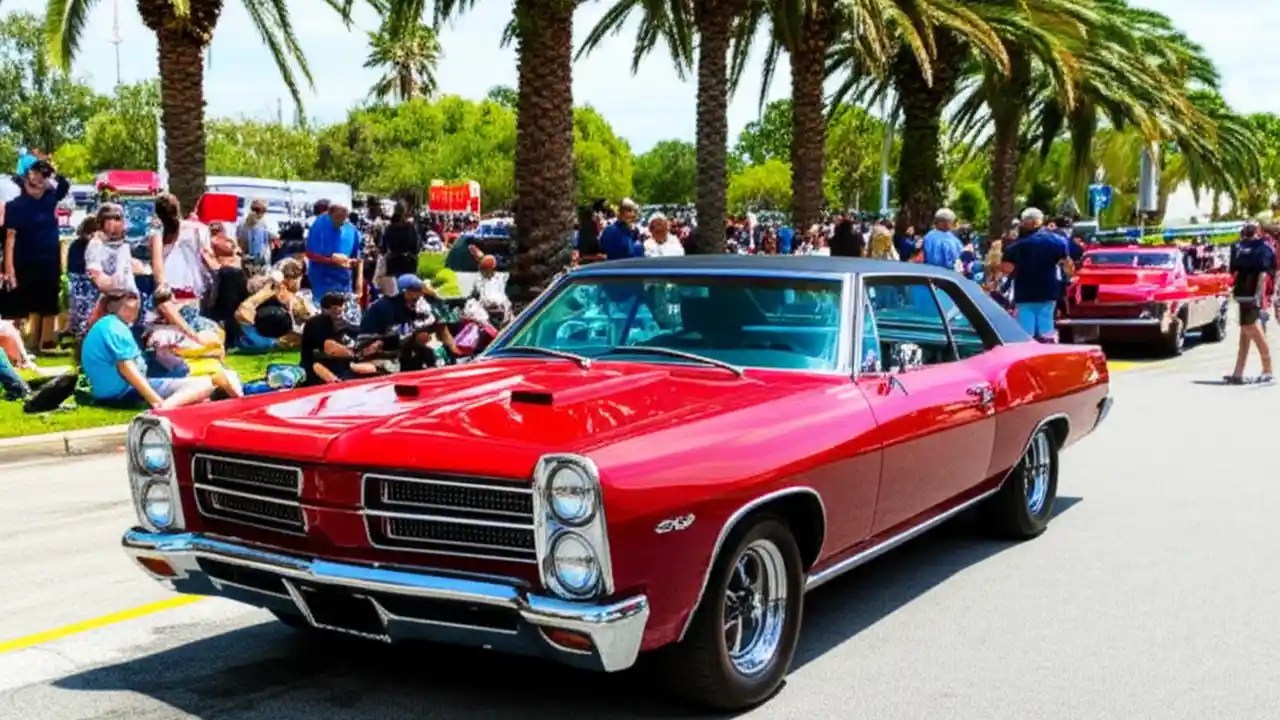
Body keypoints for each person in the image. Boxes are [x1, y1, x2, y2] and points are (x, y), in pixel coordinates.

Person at [81, 291, 242, 409]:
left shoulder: (106, 324)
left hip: (116, 388)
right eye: (136, 309)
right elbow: (127, 369)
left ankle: (230, 397)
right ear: (126, 308)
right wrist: (155, 400)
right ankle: (165, 408)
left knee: (209, 383)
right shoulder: (115, 328)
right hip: (123, 391)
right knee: (203, 385)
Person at [0, 160, 70, 352]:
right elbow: (10, 238)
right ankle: (15, 347)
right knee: (17, 306)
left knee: (47, 303)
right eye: (33, 177)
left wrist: (50, 172)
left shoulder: (50, 198)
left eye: (41, 178)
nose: (37, 182)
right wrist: (9, 269)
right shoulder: (15, 206)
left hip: (48, 260)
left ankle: (45, 344)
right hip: (23, 261)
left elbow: (64, 184)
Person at [998, 208, 1074, 341]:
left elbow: (1006, 269)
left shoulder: (1016, 246)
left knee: (1026, 334)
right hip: (1048, 292)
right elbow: (1068, 267)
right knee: (1046, 331)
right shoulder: (1058, 241)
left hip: (1024, 293)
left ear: (1030, 223)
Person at [361, 274, 460, 371]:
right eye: (415, 291)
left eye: (420, 292)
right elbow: (371, 341)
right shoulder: (382, 308)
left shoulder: (410, 309)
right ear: (404, 291)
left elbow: (438, 327)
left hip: (401, 355)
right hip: (380, 358)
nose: (419, 295)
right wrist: (412, 339)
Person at [1224, 223, 1274, 384]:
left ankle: (1268, 369)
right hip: (1245, 294)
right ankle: (1238, 373)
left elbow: (1261, 274)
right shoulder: (1251, 248)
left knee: (1251, 328)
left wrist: (1258, 295)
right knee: (1245, 334)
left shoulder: (1256, 249)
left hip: (1250, 294)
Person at [300, 291, 381, 385]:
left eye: (341, 307)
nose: (339, 310)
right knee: (335, 381)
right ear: (324, 309)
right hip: (316, 364)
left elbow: (358, 332)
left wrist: (375, 338)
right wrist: (356, 354)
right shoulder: (316, 323)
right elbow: (330, 348)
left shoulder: (340, 322)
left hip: (339, 364)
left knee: (374, 370)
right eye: (334, 308)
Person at [305, 202, 361, 319]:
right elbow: (310, 254)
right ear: (330, 214)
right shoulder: (319, 225)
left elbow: (358, 259)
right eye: (338, 217)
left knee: (343, 316)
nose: (341, 220)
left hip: (343, 282)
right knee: (323, 315)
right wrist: (331, 260)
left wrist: (358, 283)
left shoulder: (351, 229)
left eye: (344, 217)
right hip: (322, 281)